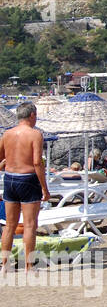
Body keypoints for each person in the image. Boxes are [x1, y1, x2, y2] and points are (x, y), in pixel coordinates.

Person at [0, 102, 52, 273]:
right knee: (30, 225)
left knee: (9, 225)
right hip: (28, 179)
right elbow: (37, 162)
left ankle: (4, 265)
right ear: (32, 115)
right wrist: (44, 188)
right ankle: (29, 266)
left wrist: (7, 164)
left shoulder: (7, 134)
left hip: (10, 179)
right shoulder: (35, 134)